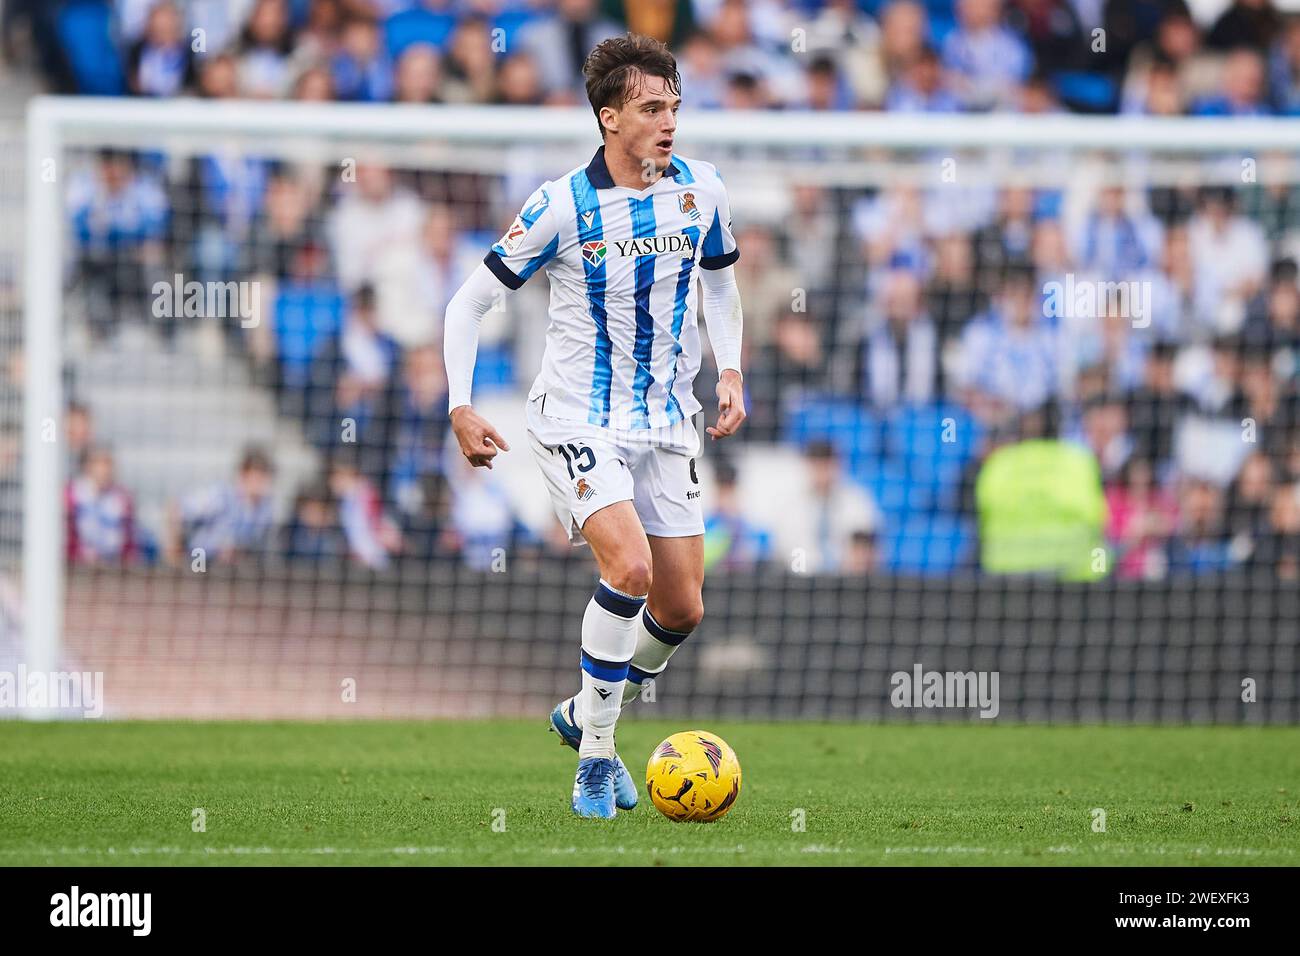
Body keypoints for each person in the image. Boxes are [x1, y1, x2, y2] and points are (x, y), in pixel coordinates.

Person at [442, 35, 745, 819]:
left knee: (681, 611)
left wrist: (733, 368)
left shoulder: (702, 190)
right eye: (651, 108)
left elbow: (721, 283)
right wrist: (460, 403)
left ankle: (583, 713)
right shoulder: (559, 206)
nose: (668, 121)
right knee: (631, 570)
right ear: (610, 118)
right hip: (576, 416)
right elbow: (468, 302)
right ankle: (597, 761)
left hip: (666, 423)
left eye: (674, 106)